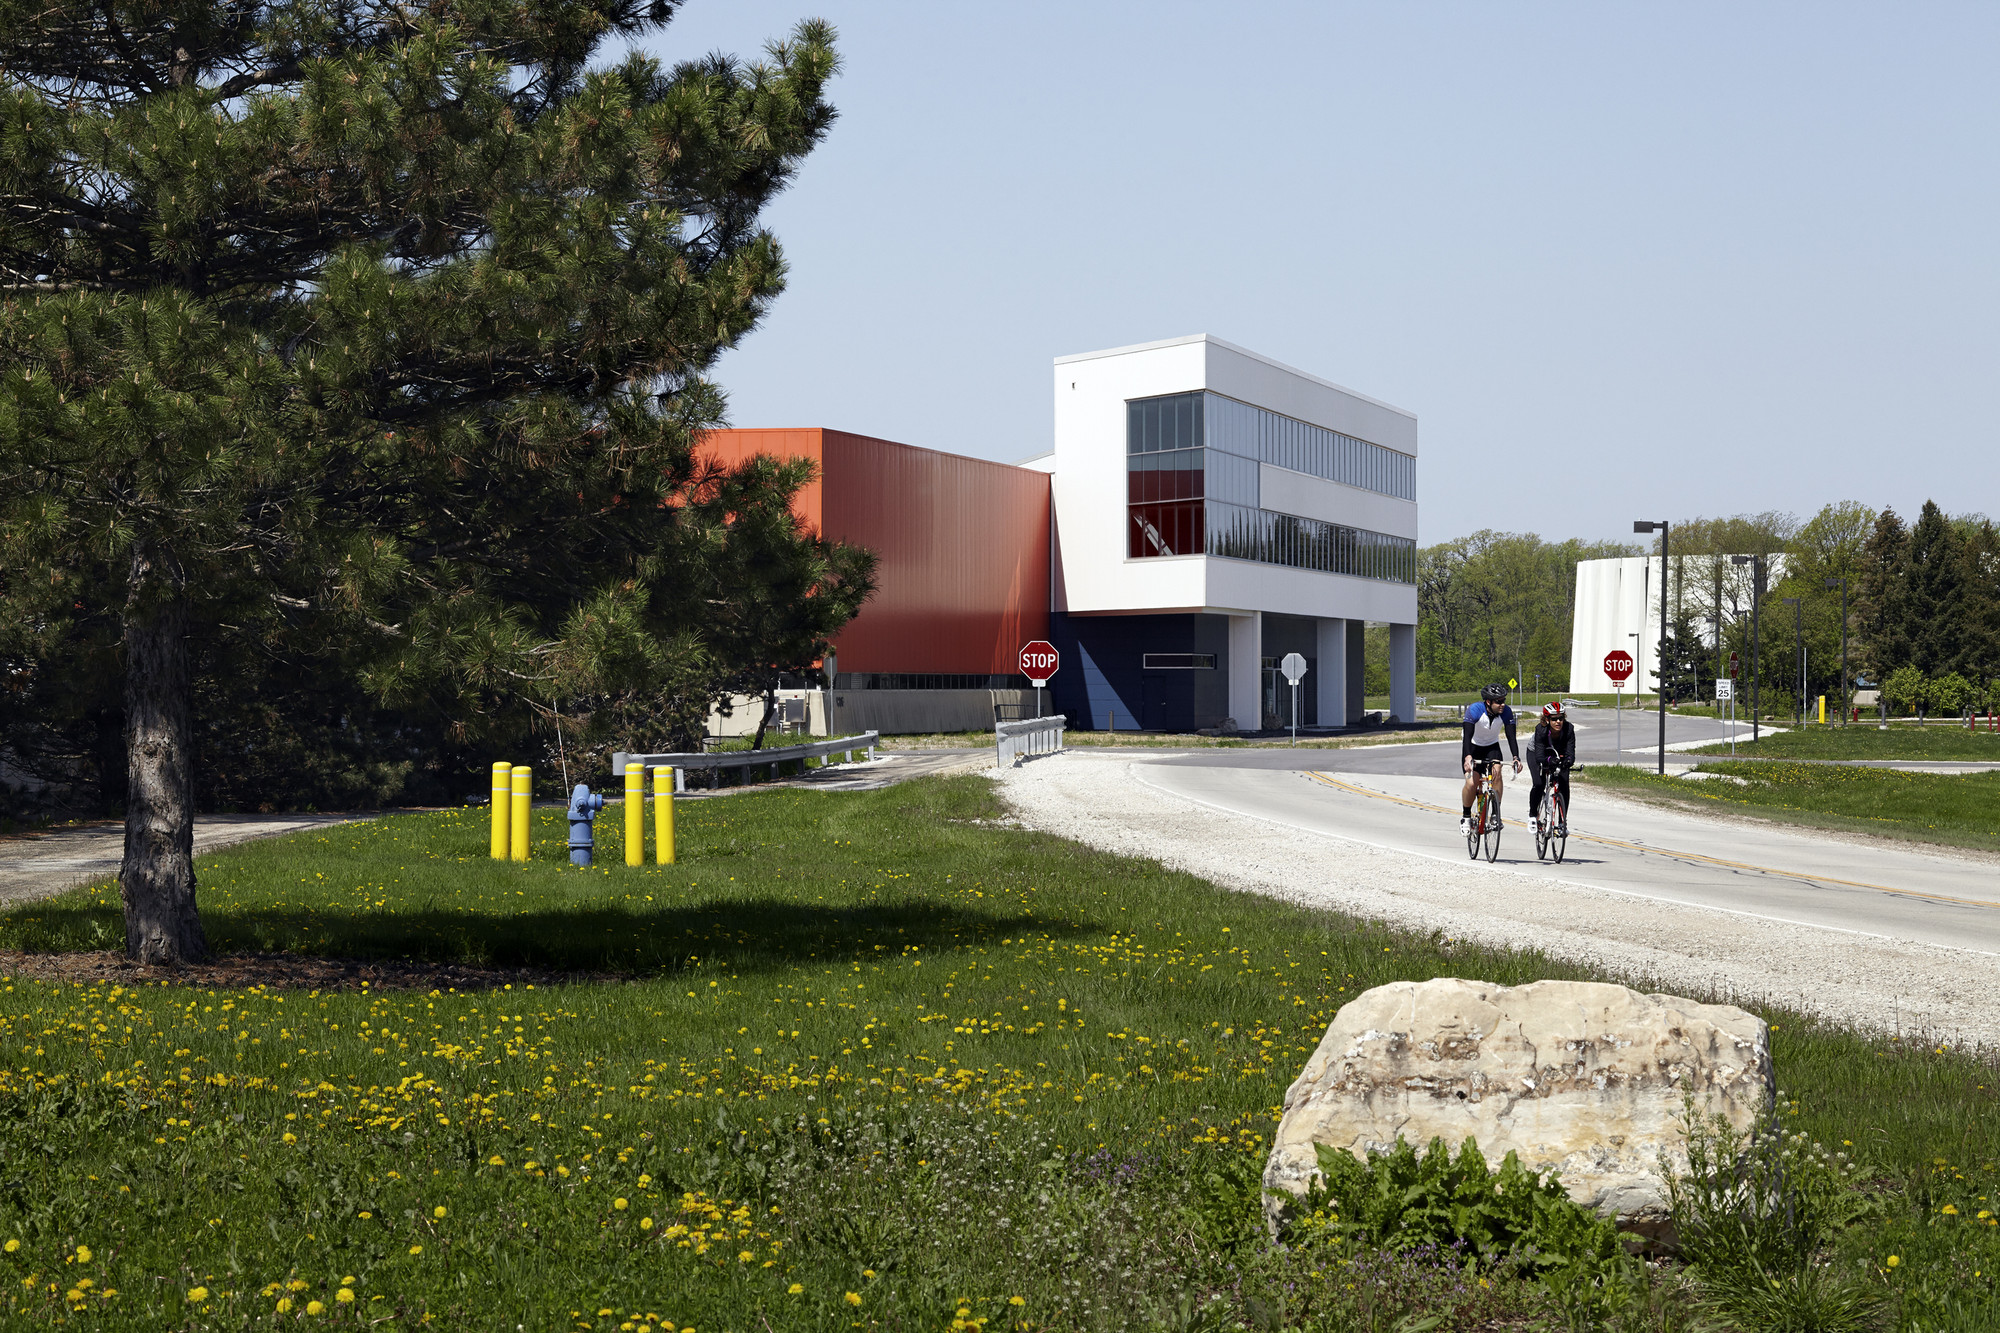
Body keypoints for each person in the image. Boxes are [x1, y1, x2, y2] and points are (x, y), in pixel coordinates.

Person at [1459, 683, 1521, 833]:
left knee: (1497, 773)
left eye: (1503, 700)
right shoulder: (1475, 710)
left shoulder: (1506, 712)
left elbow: (1511, 737)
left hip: (1492, 747)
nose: (1502, 704)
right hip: (1473, 747)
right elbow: (1467, 737)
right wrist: (1468, 757)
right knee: (1472, 783)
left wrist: (1516, 757)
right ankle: (1466, 817)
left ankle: (1495, 814)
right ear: (1488, 702)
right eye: (1498, 701)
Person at [1526, 700, 1576, 829]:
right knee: (1539, 783)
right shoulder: (1541, 729)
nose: (1558, 722)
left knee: (1564, 783)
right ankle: (1532, 815)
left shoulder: (1569, 728)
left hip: (1558, 752)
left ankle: (1562, 821)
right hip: (1536, 752)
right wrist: (1549, 761)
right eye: (1554, 719)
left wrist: (1568, 761)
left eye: (1561, 718)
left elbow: (1570, 752)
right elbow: (1539, 756)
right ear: (1547, 719)